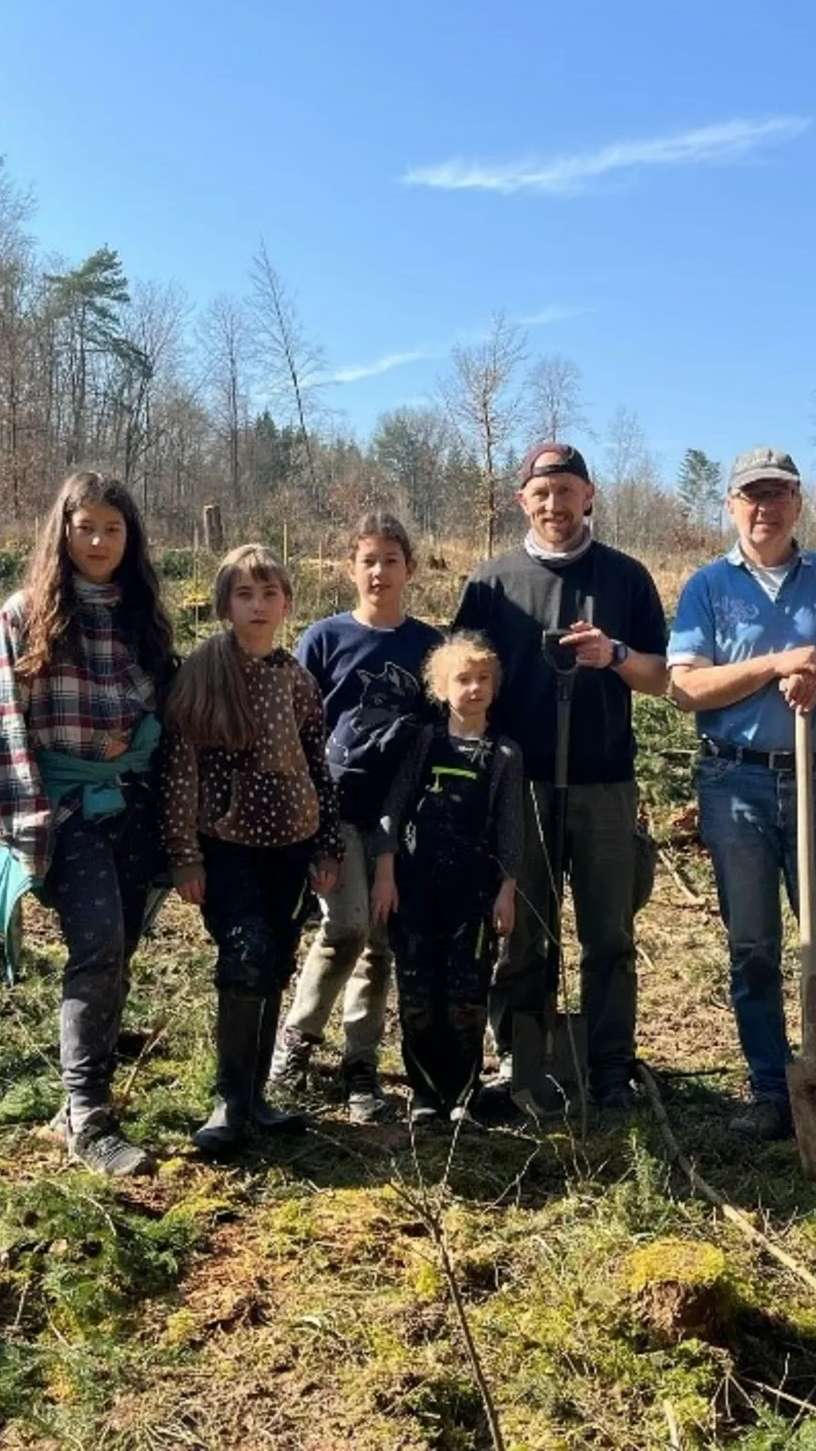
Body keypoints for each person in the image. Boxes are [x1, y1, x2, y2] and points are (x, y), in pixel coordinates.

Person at [667, 448, 816, 1141]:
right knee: (754, 945)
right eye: (751, 496)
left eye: (778, 495)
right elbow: (685, 686)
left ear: (798, 503)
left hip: (815, 779)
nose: (766, 508)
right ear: (731, 506)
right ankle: (768, 1087)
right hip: (735, 780)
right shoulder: (708, 586)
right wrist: (773, 664)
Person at [451, 442, 669, 1112]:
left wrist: (614, 654)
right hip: (519, 787)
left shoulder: (626, 578)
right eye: (542, 493)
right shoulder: (492, 583)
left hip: (605, 783)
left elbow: (663, 677)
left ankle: (607, 1069)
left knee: (609, 934)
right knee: (520, 934)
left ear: (589, 495)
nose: (555, 504)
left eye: (567, 490)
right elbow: (456, 678)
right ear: (523, 500)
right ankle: (522, 1063)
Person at [0, 471, 178, 1178]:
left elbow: (166, 706)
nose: (98, 541)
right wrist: (32, 823)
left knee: (119, 949)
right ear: (62, 530)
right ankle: (89, 1116)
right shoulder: (24, 615)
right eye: (85, 526)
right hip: (65, 809)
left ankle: (73, 1104)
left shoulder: (141, 615)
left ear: (131, 537)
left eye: (112, 528)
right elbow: (5, 723)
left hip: (129, 804)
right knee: (96, 946)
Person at [162, 544, 343, 1155]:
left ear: (287, 603)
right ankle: (228, 1099)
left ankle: (258, 1099)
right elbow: (181, 767)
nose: (257, 606)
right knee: (246, 951)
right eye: (244, 594)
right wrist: (185, 854)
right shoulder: (204, 672)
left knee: (277, 959)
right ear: (224, 604)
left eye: (268, 595)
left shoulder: (297, 679)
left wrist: (326, 846)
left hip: (291, 844)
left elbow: (320, 765)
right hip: (228, 843)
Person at [268, 512, 443, 1123]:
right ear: (351, 568)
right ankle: (294, 1044)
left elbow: (436, 733)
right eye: (368, 560)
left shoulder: (428, 646)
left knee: (381, 944)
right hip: (334, 809)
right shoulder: (324, 638)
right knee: (343, 927)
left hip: (399, 816)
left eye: (391, 561)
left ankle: (360, 1067)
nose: (379, 572)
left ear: (409, 569)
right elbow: (293, 727)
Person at [370, 633, 525, 1124]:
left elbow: (511, 826)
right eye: (463, 679)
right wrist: (385, 872)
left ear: (495, 689)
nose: (474, 688)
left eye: (483, 680)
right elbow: (393, 807)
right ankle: (423, 1094)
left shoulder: (504, 755)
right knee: (417, 991)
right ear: (440, 688)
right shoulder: (424, 741)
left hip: (474, 892)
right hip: (415, 887)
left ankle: (461, 1095)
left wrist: (507, 890)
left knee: (465, 994)